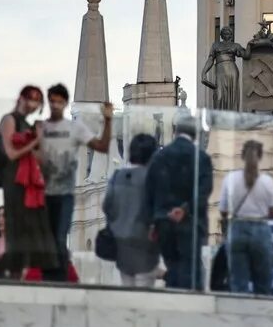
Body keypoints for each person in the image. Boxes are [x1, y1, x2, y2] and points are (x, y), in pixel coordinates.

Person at [37, 84, 113, 278]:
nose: (55, 105)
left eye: (60, 102)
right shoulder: (41, 128)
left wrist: (108, 120)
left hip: (65, 193)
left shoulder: (74, 128)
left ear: (65, 103)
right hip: (45, 192)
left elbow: (102, 146)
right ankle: (47, 276)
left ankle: (59, 278)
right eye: (52, 101)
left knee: (60, 238)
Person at [145, 118, 213, 291]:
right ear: (195, 135)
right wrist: (184, 209)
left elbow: (149, 192)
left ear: (175, 132)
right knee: (190, 271)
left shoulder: (159, 156)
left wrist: (152, 222)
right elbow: (203, 191)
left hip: (164, 222)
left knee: (173, 267)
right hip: (190, 222)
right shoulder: (202, 158)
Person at [0, 86, 58, 277]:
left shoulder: (28, 125)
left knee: (31, 233)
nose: (33, 104)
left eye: (37, 101)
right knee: (17, 231)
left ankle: (24, 275)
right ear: (21, 98)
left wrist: (41, 140)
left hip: (30, 185)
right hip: (15, 182)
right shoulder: (10, 120)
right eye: (30, 98)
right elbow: (11, 153)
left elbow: (40, 159)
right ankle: (15, 275)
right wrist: (34, 141)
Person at [219, 140, 273, 295]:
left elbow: (223, 211)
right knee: (263, 282)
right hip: (260, 230)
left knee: (238, 282)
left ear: (242, 156)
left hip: (237, 229)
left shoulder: (230, 179)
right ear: (260, 156)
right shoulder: (268, 181)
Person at [103, 133, 160, 288]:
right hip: (146, 247)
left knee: (127, 291)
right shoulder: (153, 179)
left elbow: (107, 206)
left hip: (122, 246)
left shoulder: (117, 177)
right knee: (144, 296)